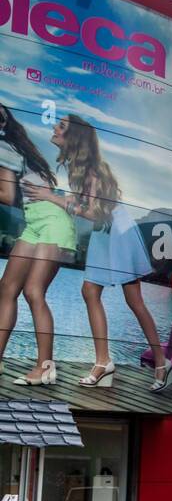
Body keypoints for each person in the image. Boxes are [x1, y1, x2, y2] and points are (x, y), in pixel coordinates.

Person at [44, 115, 170, 391]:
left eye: (61, 126)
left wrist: (56, 200)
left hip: (117, 234)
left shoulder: (93, 171)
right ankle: (105, 362)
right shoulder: (80, 169)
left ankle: (159, 362)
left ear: (75, 138)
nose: (54, 127)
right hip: (107, 235)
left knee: (132, 301)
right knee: (92, 292)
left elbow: (95, 212)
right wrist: (69, 200)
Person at [0, 103, 69, 385]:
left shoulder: (4, 147)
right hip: (35, 223)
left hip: (52, 222)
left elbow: (6, 195)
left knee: (33, 292)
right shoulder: (15, 148)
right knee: (7, 289)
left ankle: (45, 368)